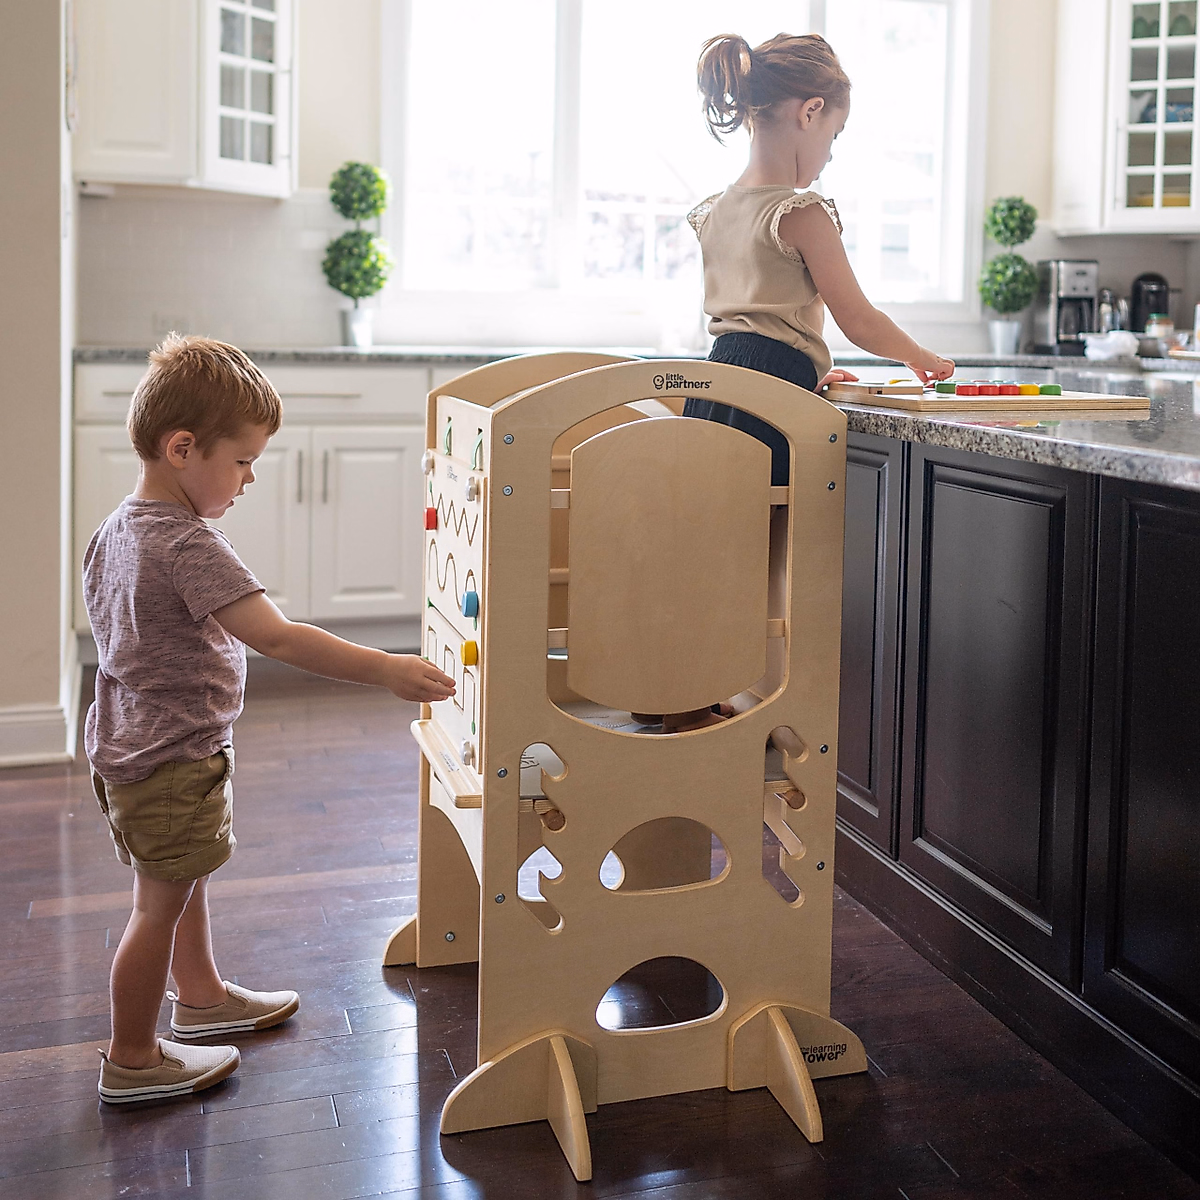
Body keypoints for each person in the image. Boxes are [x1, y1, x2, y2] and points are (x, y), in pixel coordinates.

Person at [84, 334, 456, 1104]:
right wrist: (385, 667)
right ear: (182, 448)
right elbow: (280, 636)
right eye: (244, 459)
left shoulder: (117, 527)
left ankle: (204, 997)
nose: (249, 479)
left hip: (127, 743)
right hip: (174, 757)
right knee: (158, 905)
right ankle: (131, 1056)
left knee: (182, 884)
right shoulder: (190, 545)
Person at [685, 32, 956, 486]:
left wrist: (808, 373)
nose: (830, 154)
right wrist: (921, 357)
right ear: (810, 112)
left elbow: (753, 327)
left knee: (718, 534)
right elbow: (859, 321)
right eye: (834, 135)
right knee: (771, 543)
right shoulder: (801, 213)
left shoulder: (716, 210)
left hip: (714, 395)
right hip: (767, 404)